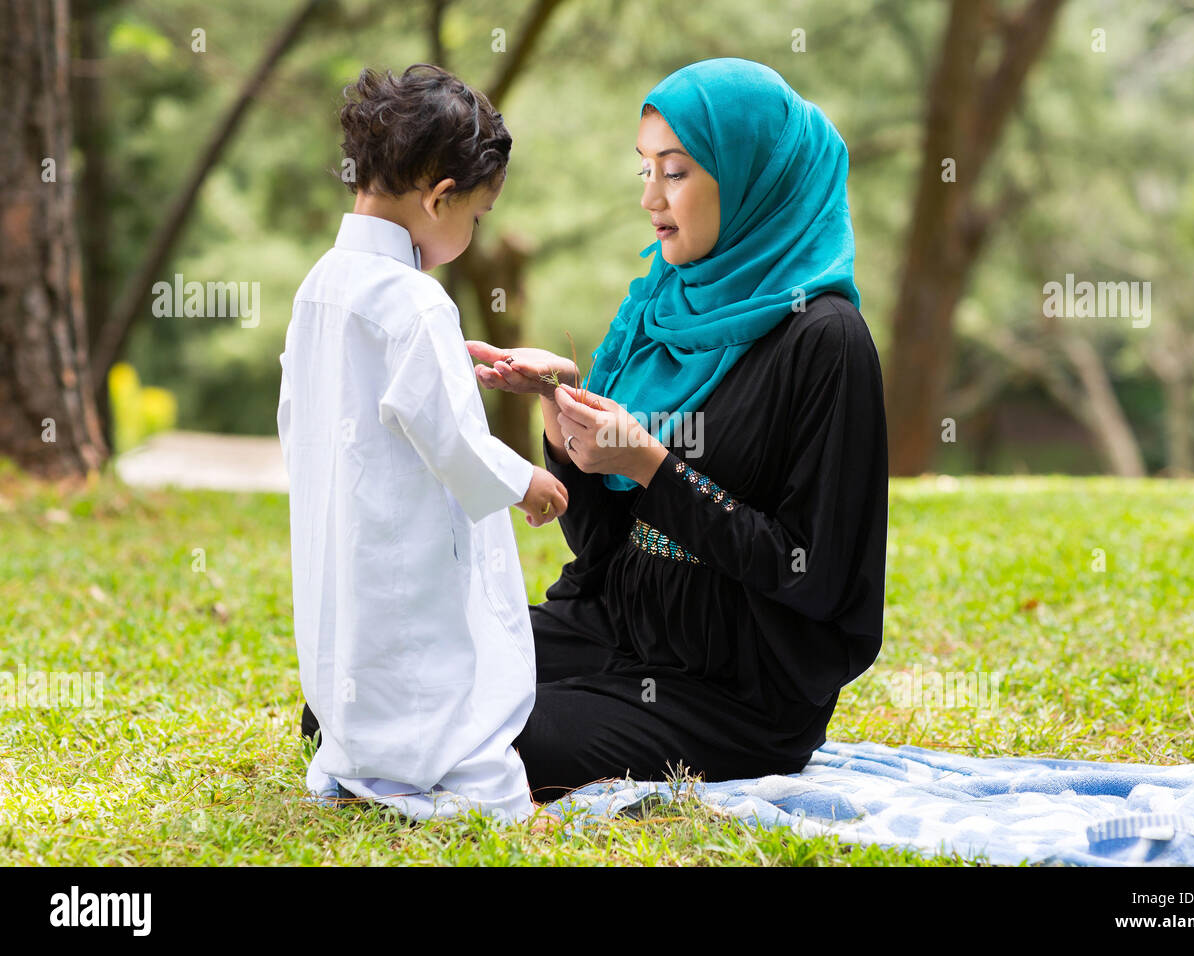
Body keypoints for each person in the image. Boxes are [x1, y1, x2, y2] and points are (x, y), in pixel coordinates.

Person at [469, 58, 889, 802]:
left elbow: (814, 576)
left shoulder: (825, 341)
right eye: (644, 171)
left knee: (472, 737)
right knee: (376, 694)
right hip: (610, 628)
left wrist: (657, 469)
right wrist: (561, 414)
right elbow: (605, 547)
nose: (650, 200)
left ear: (755, 177)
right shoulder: (659, 311)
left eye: (677, 172)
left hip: (732, 687)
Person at [278, 64, 567, 824]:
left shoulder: (323, 283)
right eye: (475, 217)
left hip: (346, 530)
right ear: (439, 196)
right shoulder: (414, 300)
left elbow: (329, 395)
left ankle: (362, 756)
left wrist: (444, 354)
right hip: (404, 540)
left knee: (362, 640)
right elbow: (453, 438)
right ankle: (432, 769)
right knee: (428, 646)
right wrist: (525, 480)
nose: (471, 235)